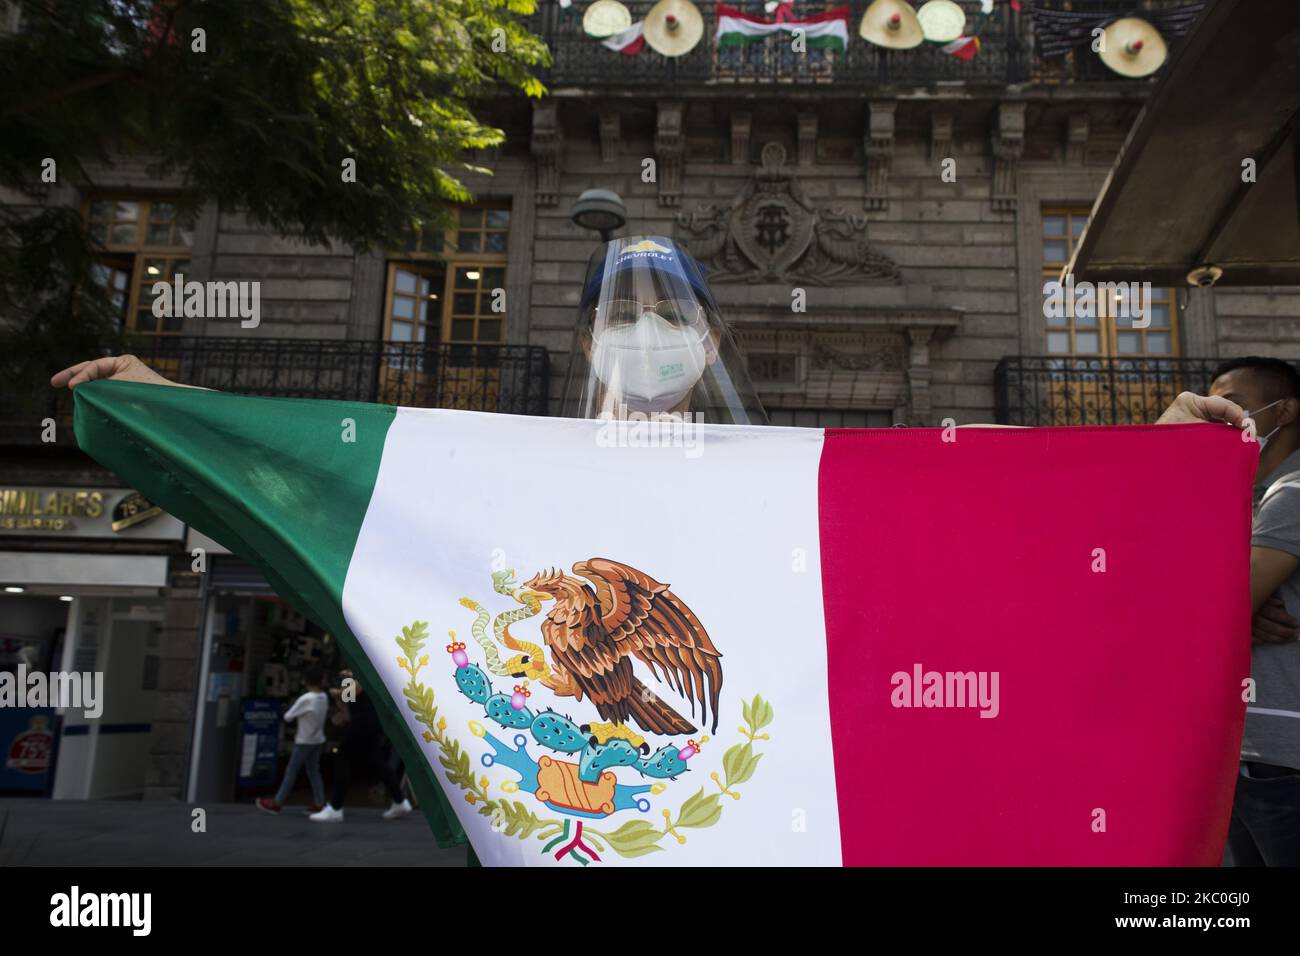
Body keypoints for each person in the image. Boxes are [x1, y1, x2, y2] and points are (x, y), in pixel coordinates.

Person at [1208, 356, 1300, 866]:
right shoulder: (1252, 499)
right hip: (1246, 753)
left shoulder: (1292, 493)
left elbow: (1215, 614)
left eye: (1235, 405)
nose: (1220, 415)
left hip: (1280, 759)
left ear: (1283, 411)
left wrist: (1236, 613)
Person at [309, 669, 410, 824]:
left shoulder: (365, 669)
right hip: (368, 721)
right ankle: (399, 800)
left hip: (364, 722)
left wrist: (338, 688)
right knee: (376, 762)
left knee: (344, 757)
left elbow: (347, 694)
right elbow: (347, 700)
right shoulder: (362, 670)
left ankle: (335, 807)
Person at [256, 663, 327, 815]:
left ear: (304, 681)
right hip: (317, 740)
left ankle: (277, 803)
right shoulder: (323, 697)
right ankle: (319, 802)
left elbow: (288, 717)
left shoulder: (305, 699)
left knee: (291, 772)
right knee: (314, 771)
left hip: (303, 741)